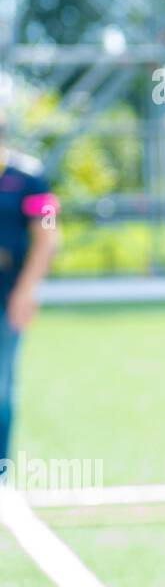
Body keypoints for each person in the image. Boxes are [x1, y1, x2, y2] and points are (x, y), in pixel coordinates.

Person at [0, 114, 61, 466]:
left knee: (2, 386)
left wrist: (26, 291)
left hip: (8, 292)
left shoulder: (30, 177)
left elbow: (48, 235)